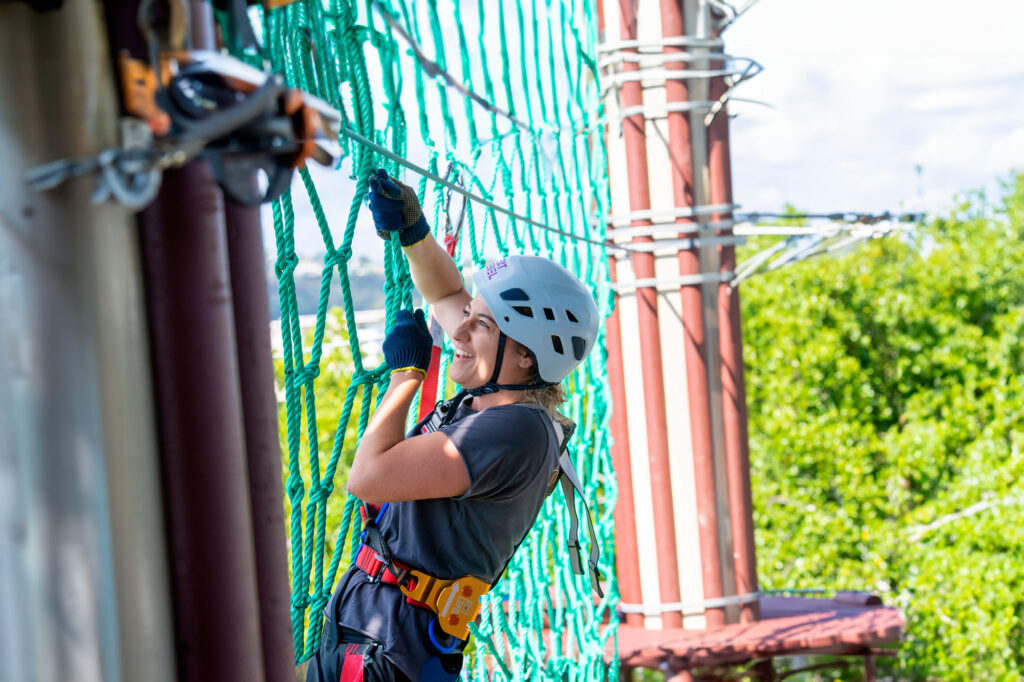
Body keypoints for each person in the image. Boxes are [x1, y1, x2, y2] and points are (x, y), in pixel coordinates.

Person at [305, 168, 602, 682]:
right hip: (380, 635)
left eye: (482, 324)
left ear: (527, 357)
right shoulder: (499, 399)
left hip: (387, 654)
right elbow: (447, 294)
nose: (459, 329)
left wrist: (406, 377)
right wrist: (415, 232)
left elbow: (367, 477)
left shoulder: (515, 431)